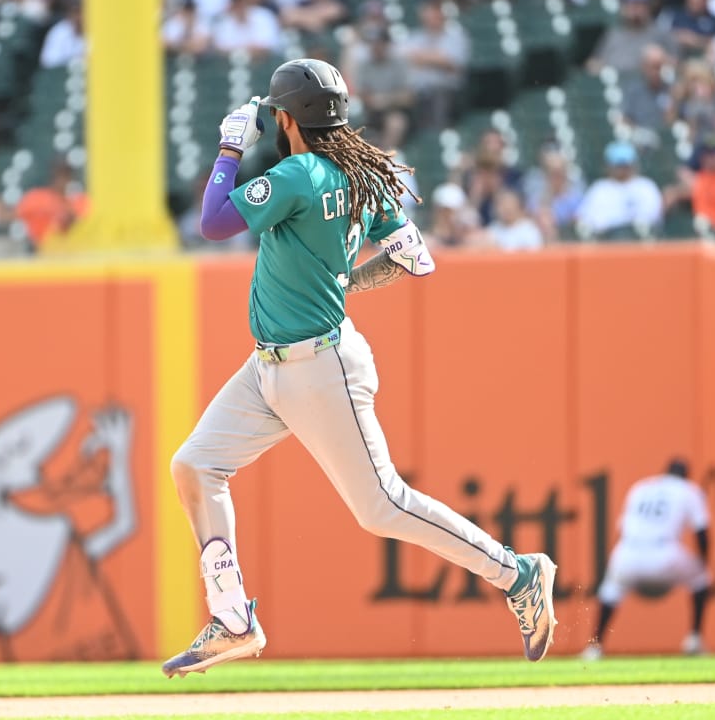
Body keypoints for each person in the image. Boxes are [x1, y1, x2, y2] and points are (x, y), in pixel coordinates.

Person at [163, 58, 557, 678]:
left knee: (382, 505)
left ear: (284, 118)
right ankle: (233, 616)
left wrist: (227, 149)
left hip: (321, 370)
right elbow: (413, 259)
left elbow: (213, 222)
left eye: (274, 113)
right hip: (272, 366)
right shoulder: (358, 175)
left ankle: (518, 572)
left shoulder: (296, 173)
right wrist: (344, 281)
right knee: (195, 465)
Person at [582, 459, 711, 661]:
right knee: (702, 577)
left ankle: (594, 647)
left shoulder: (641, 487)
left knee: (609, 591)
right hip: (664, 553)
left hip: (627, 551)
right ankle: (694, 639)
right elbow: (702, 534)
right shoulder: (689, 490)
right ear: (685, 475)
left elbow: (623, 528)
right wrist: (703, 563)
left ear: (665, 472)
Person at [402, 0, 469, 130]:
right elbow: (403, 57)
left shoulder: (455, 35)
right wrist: (434, 58)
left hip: (446, 90)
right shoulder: (416, 37)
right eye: (428, 16)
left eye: (434, 16)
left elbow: (452, 63)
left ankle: (437, 133)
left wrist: (422, 58)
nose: (431, 20)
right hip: (417, 90)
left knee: (437, 97)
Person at [577, 141, 663, 238]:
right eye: (618, 165)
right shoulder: (599, 189)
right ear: (609, 166)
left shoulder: (646, 186)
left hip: (639, 243)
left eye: (625, 165)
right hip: (607, 243)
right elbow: (586, 219)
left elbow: (651, 218)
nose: (622, 169)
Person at [15, 159, 89, 249]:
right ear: (52, 176)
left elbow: (81, 221)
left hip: (70, 252)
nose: (62, 181)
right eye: (59, 176)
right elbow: (12, 217)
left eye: (66, 176)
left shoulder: (78, 201)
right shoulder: (36, 198)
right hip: (39, 252)